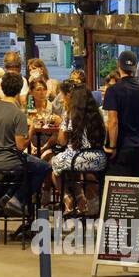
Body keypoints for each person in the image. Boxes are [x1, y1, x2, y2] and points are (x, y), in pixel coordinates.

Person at [0, 72, 51, 215]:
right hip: (11, 160)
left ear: (2, 88)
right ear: (20, 90)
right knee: (44, 167)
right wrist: (32, 129)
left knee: (31, 166)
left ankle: (8, 196)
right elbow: (21, 146)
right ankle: (18, 199)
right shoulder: (17, 113)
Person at [49, 85, 108, 216]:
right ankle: (82, 200)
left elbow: (61, 141)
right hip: (99, 158)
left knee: (54, 165)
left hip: (78, 158)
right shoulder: (97, 115)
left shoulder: (70, 115)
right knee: (73, 169)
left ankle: (67, 198)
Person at [102, 50, 139, 178]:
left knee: (120, 188)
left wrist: (112, 146)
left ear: (119, 66)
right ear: (135, 67)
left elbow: (113, 121)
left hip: (122, 146)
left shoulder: (113, 90)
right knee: (137, 186)